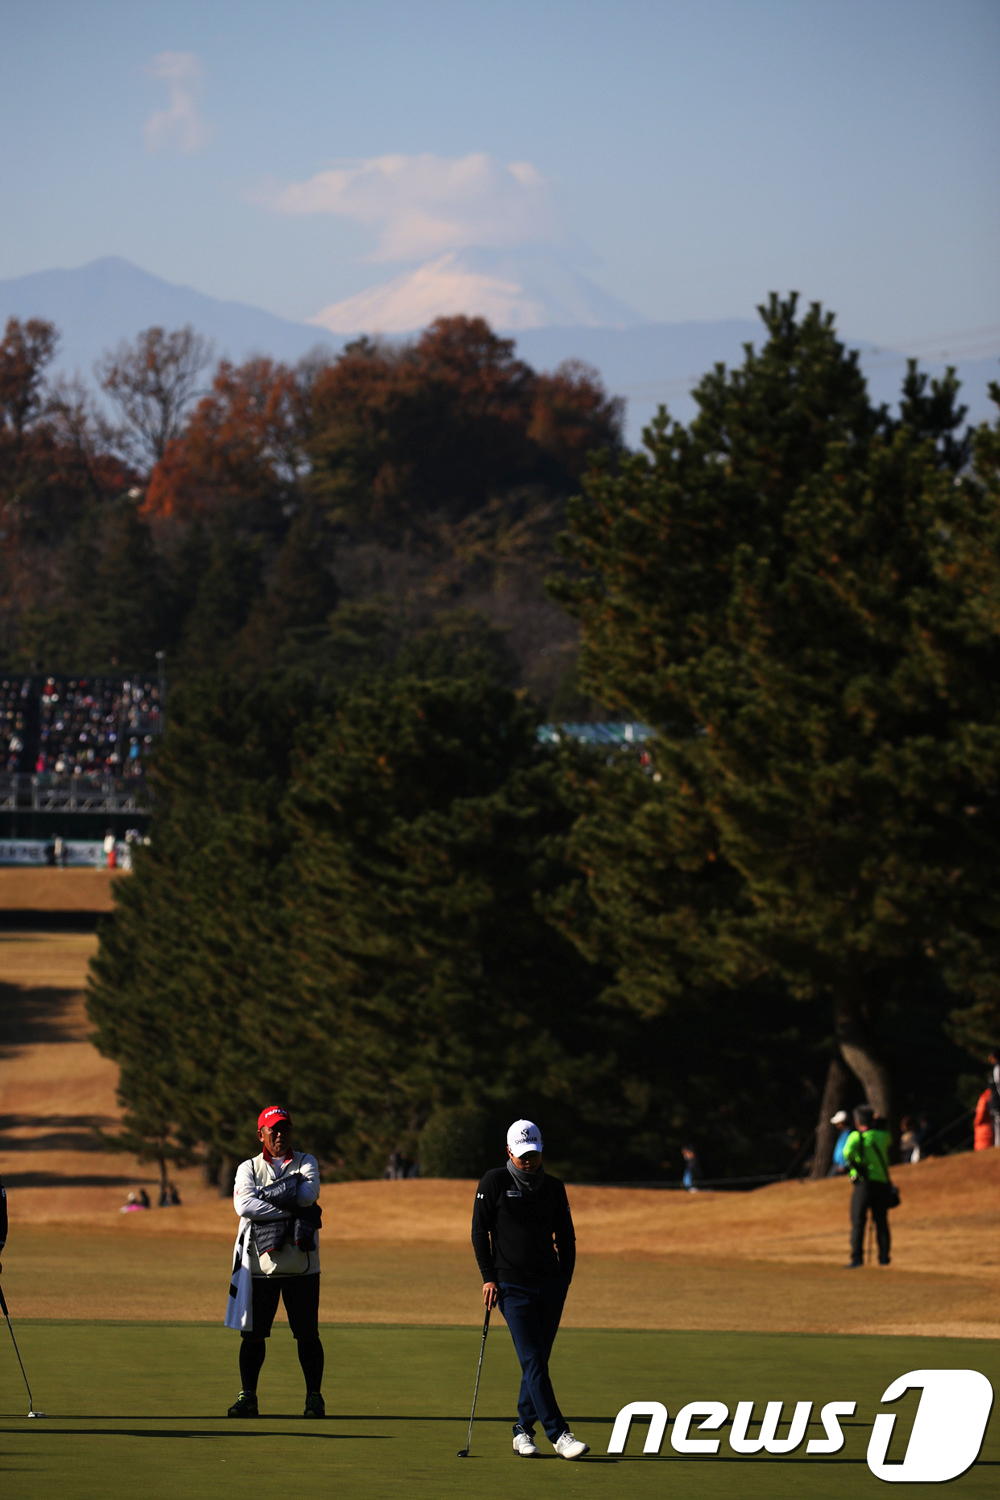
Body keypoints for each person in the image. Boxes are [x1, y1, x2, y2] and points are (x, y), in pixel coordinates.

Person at [471, 1119, 588, 1460]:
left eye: (533, 1154)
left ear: (541, 1152)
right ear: (509, 1152)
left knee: (536, 1361)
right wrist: (488, 1277)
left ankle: (523, 1430)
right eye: (522, 1155)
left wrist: (564, 1278)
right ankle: (560, 1434)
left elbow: (566, 1236)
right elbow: (480, 1233)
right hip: (511, 1286)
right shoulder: (494, 1181)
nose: (528, 1160)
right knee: (534, 1358)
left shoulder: (553, 1187)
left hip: (550, 1286)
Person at [226, 1106, 325, 1419]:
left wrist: (265, 1201)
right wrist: (288, 1209)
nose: (280, 1135)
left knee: (307, 1335)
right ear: (261, 1135)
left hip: (302, 1268)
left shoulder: (306, 1161)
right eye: (273, 1130)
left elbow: (309, 1196)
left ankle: (314, 1398)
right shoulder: (248, 1168)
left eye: (284, 1129)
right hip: (258, 1269)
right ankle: (248, 1397)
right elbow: (244, 1205)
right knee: (253, 1336)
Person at [842, 1104, 893, 1268]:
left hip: (863, 1184)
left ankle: (857, 1258)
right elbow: (889, 1140)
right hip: (881, 1183)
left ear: (858, 1122)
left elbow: (846, 1153)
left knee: (858, 1221)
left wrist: (857, 1163)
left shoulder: (856, 1137)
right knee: (881, 1221)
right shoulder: (883, 1136)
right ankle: (884, 1258)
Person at [829, 1110, 851, 1175]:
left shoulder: (847, 1134)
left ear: (842, 1123)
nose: (836, 1125)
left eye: (838, 1123)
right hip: (837, 1163)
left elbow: (845, 1149)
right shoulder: (843, 1133)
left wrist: (842, 1164)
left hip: (841, 1165)